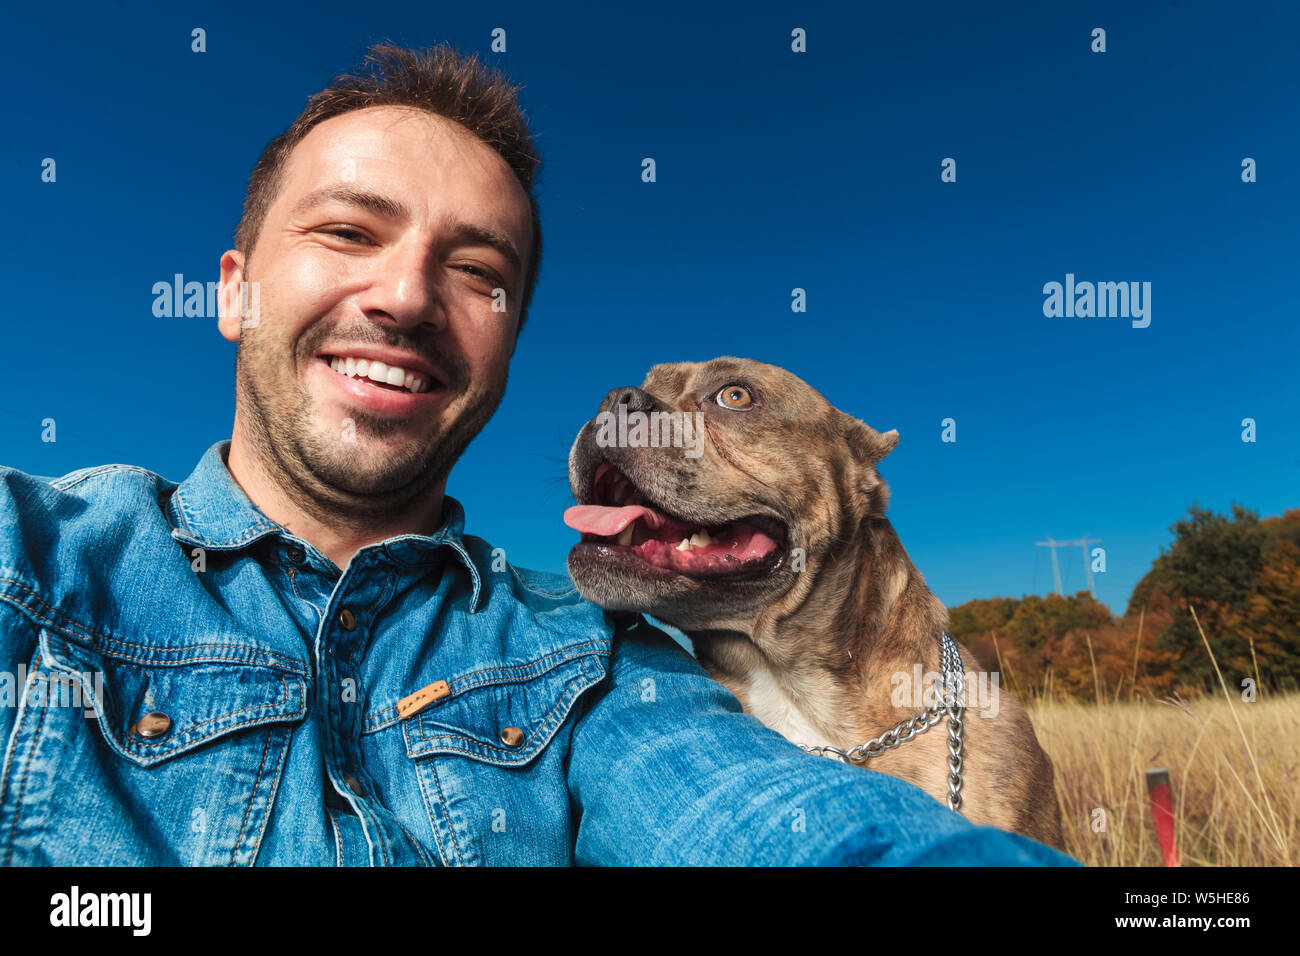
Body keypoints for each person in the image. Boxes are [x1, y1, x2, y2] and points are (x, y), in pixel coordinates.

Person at [0, 42, 1077, 866]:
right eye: (348, 232)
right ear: (232, 287)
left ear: (508, 339)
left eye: (476, 270)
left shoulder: (589, 655)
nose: (406, 295)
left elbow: (762, 816)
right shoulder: (31, 565)